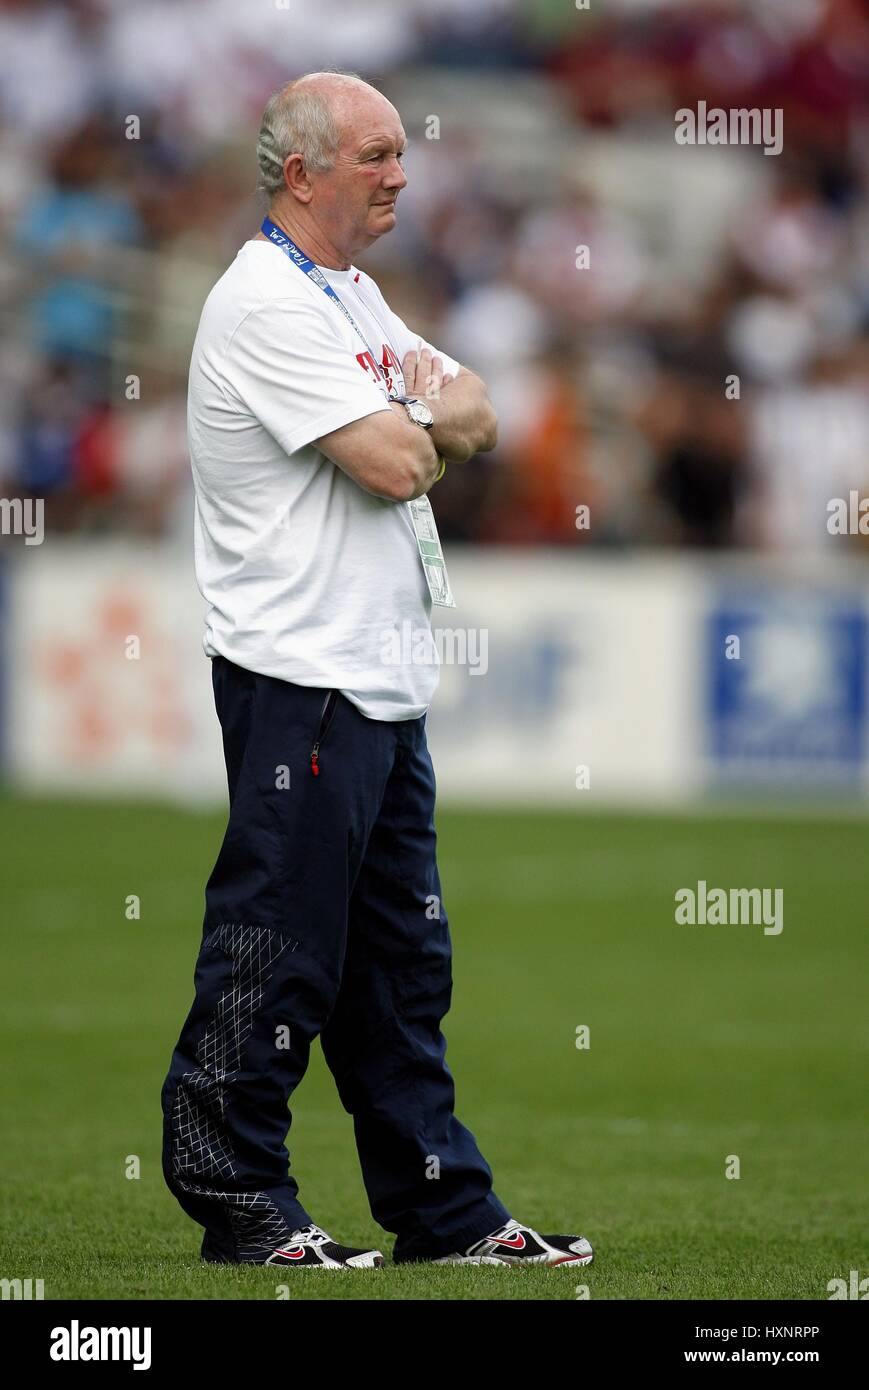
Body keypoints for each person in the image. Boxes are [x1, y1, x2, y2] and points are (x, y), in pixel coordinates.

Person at [160, 70, 594, 1271]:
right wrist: (415, 414)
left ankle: (444, 1209)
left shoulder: (348, 294)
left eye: (402, 152)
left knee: (401, 968)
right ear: (301, 173)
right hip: (301, 671)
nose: (403, 173)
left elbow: (480, 410)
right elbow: (399, 458)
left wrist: (420, 414)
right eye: (377, 154)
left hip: (379, 678)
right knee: (276, 944)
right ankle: (237, 1195)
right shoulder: (264, 303)